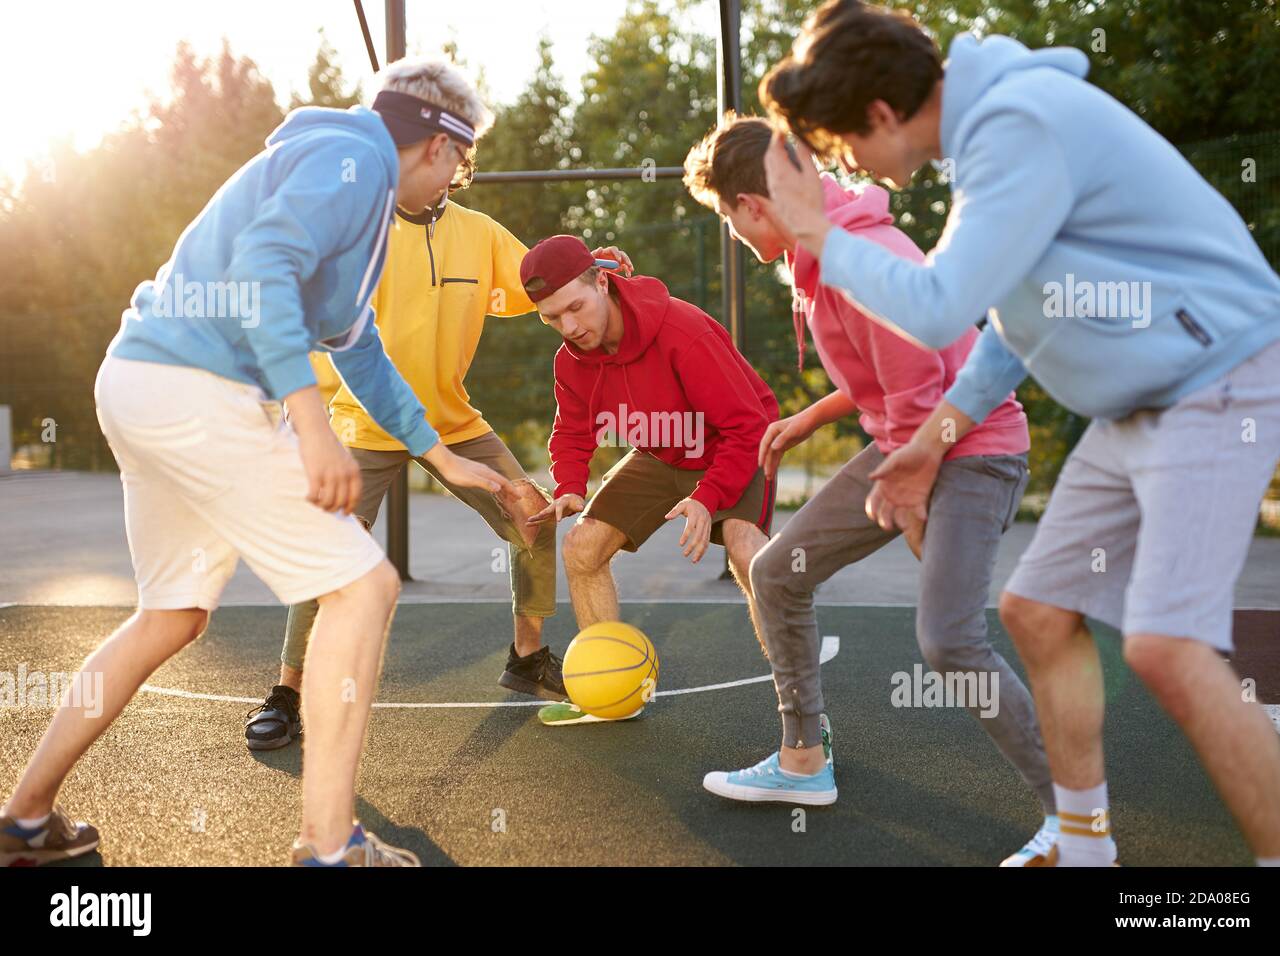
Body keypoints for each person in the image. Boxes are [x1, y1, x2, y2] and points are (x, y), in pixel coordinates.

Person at [760, 0, 1280, 866]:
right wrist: (933, 441)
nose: (847, 167)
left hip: (1221, 382)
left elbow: (939, 312)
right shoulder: (992, 143)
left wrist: (814, 230)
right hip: (1144, 405)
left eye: (841, 147)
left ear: (882, 115)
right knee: (1038, 611)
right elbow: (1018, 325)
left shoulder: (1017, 125)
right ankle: (1083, 844)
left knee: (1165, 644)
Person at [0, 59, 516, 867]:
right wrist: (310, 425)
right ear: (436, 143)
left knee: (172, 612)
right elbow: (263, 269)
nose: (460, 177)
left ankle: (24, 819)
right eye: (464, 157)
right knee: (362, 586)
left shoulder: (354, 188)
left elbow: (359, 348)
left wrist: (440, 453)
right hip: (198, 390)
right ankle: (328, 844)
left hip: (145, 382)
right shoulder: (358, 159)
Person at [683, 113, 1057, 865]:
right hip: (905, 444)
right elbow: (881, 378)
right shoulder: (822, 259)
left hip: (968, 450)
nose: (735, 234)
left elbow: (920, 385)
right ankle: (802, 761)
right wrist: (811, 415)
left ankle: (1074, 814)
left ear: (753, 207)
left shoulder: (859, 257)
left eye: (728, 219)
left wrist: (910, 500)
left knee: (951, 639)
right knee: (776, 573)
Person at [244, 58, 615, 751]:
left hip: (451, 419)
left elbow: (541, 277)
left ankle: (526, 658)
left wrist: (593, 269)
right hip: (360, 419)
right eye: (450, 156)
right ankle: (287, 690)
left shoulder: (479, 233)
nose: (453, 170)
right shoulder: (361, 228)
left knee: (533, 518)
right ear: (430, 149)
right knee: (327, 551)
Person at [521, 235, 780, 726]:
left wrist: (707, 497)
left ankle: (802, 713)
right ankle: (608, 689)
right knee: (581, 548)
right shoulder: (569, 360)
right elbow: (573, 430)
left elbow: (746, 427)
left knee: (750, 555)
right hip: (661, 452)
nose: (569, 327)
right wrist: (570, 485)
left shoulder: (682, 331)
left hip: (734, 443)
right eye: (552, 318)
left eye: (575, 308)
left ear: (603, 280)